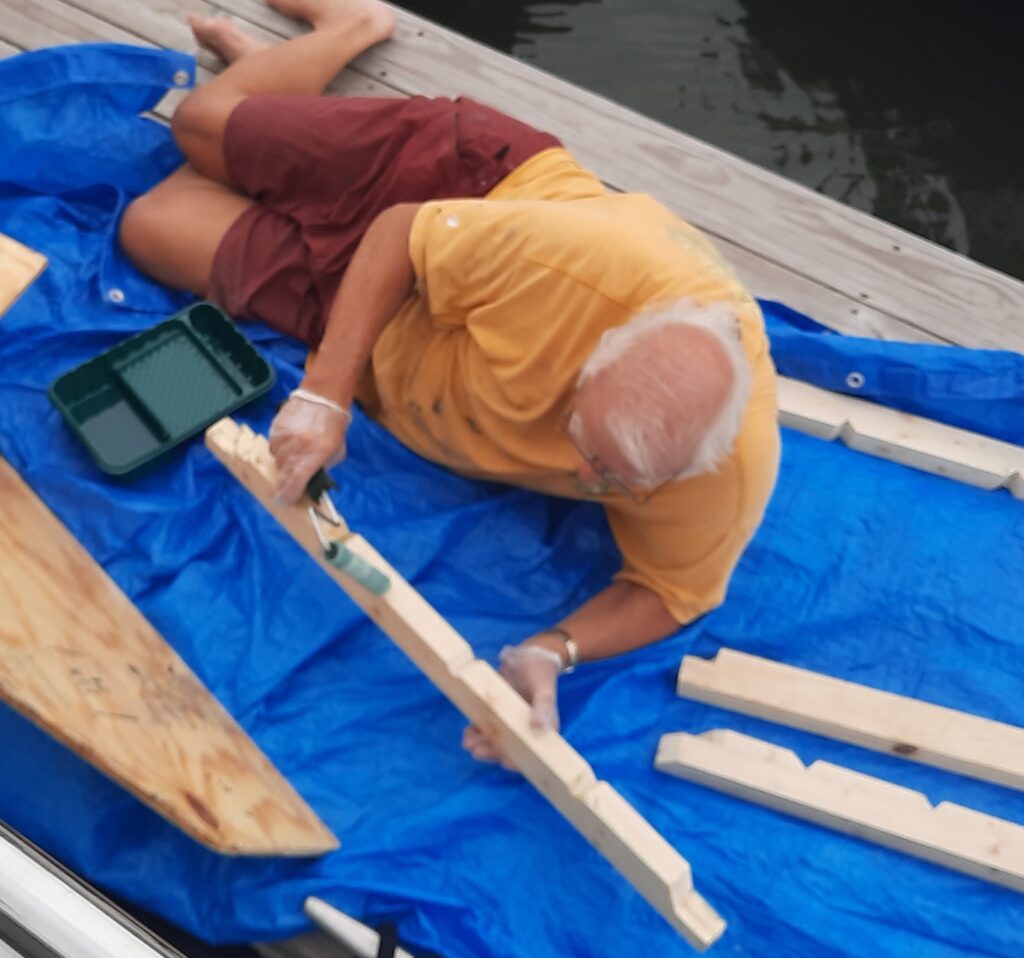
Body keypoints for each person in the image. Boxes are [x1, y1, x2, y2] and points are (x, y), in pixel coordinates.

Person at [119, 0, 781, 765]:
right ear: (595, 358)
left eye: (616, 482)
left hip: (398, 338)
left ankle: (276, 133)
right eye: (586, 443)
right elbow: (400, 230)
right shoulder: (574, 267)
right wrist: (324, 396)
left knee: (152, 220)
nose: (579, 474)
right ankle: (352, 29)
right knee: (198, 124)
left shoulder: (727, 470)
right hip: (451, 192)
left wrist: (553, 648)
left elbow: (672, 592)